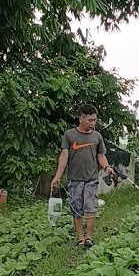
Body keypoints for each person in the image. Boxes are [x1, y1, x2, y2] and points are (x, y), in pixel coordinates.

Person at [50, 104, 115, 247]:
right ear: (81, 118)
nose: (93, 123)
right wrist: (57, 176)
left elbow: (101, 156)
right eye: (90, 120)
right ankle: (80, 238)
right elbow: (64, 156)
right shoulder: (70, 135)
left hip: (91, 179)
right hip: (74, 180)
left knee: (91, 207)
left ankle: (89, 237)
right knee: (77, 209)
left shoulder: (97, 136)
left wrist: (107, 167)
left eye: (95, 120)